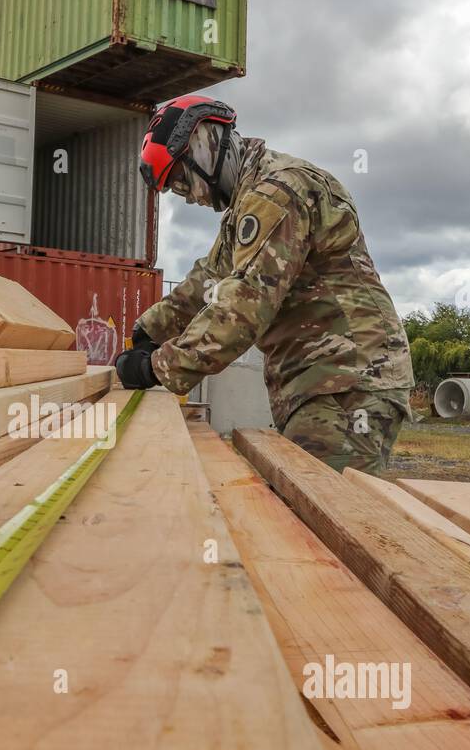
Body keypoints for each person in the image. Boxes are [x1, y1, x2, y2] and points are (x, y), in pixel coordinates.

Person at [115, 95, 413, 474]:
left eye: (181, 182)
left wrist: (157, 367)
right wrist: (150, 329)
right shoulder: (248, 201)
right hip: (320, 381)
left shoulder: (277, 193)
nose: (189, 197)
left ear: (203, 149)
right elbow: (209, 277)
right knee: (301, 508)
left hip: (349, 380)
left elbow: (245, 305)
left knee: (318, 516)